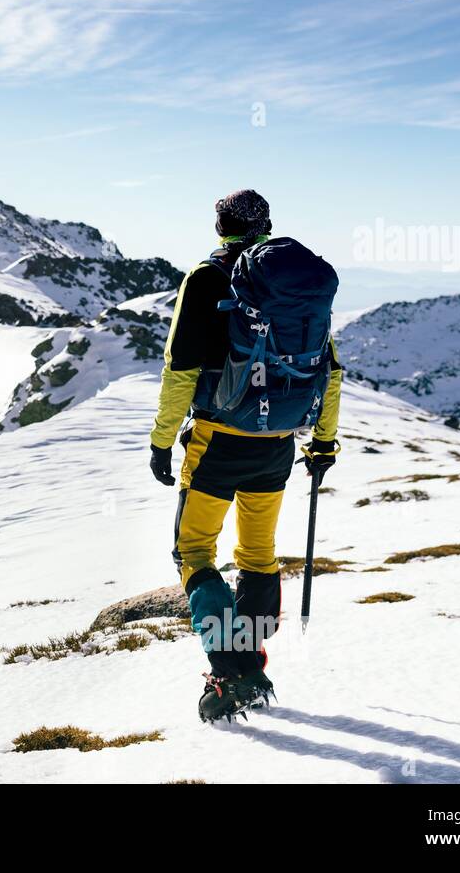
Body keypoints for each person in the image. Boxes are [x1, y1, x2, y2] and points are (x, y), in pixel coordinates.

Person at [148, 189, 342, 722]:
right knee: (258, 557)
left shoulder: (207, 279)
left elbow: (180, 369)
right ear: (266, 226)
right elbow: (331, 371)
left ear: (219, 226)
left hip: (216, 442)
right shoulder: (297, 289)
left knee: (194, 555)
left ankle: (227, 671)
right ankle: (252, 666)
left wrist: (162, 441)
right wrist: (323, 441)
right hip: (278, 444)